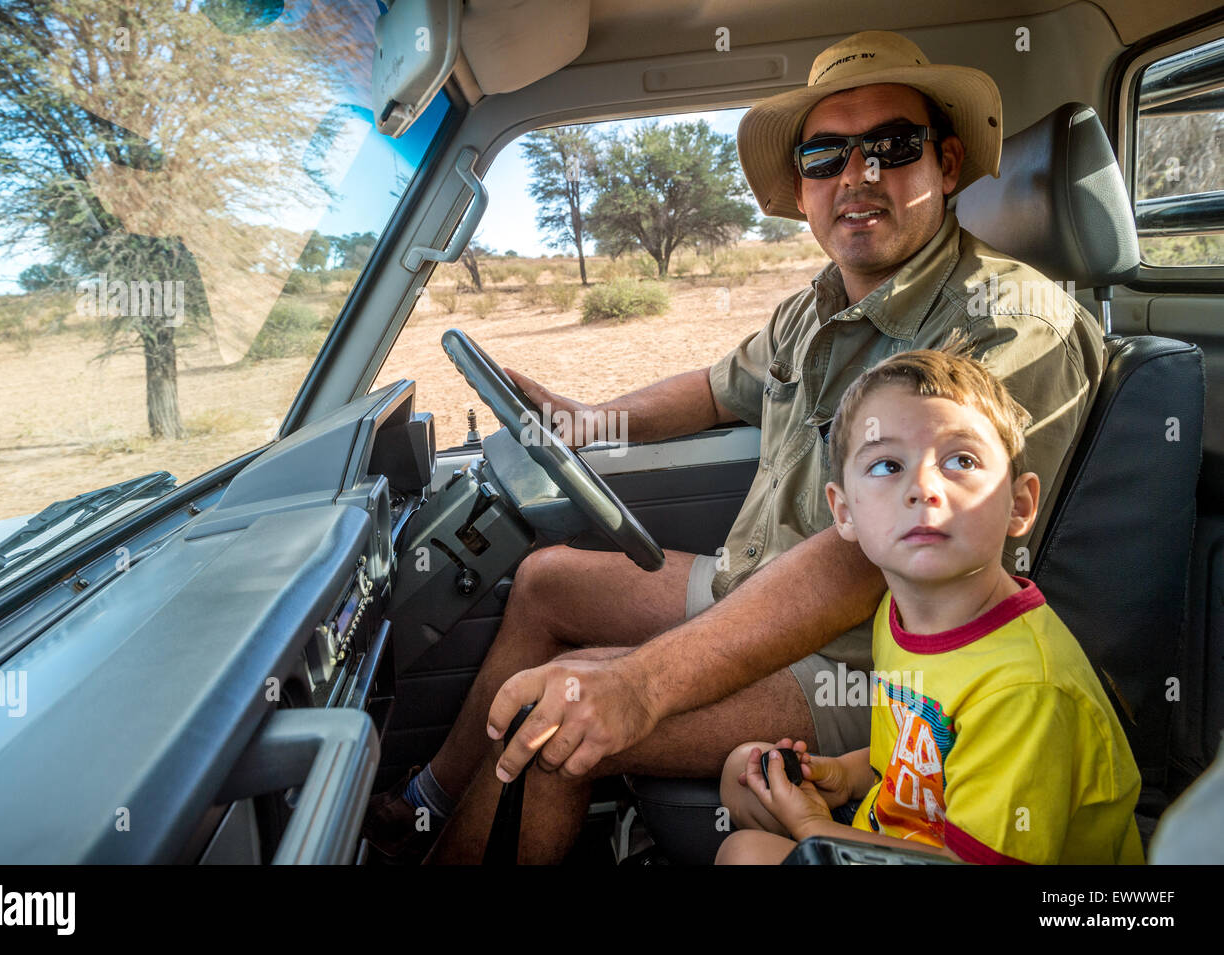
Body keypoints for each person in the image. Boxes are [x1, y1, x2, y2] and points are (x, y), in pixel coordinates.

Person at [364, 30, 1106, 865]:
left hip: (866, 656)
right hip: (753, 579)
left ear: (947, 163)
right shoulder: (812, 308)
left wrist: (639, 685)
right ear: (803, 187)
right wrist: (588, 420)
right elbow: (719, 388)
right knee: (545, 581)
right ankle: (426, 800)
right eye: (826, 155)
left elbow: (878, 558)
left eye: (891, 147)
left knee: (561, 717)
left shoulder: (1010, 325)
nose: (856, 176)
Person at [715, 342, 1143, 865]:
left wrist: (814, 828)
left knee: (746, 853)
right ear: (843, 513)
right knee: (746, 772)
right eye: (886, 466)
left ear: (1019, 504)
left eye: (960, 460)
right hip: (908, 835)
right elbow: (910, 758)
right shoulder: (896, 617)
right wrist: (844, 776)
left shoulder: (1027, 690)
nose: (922, 487)